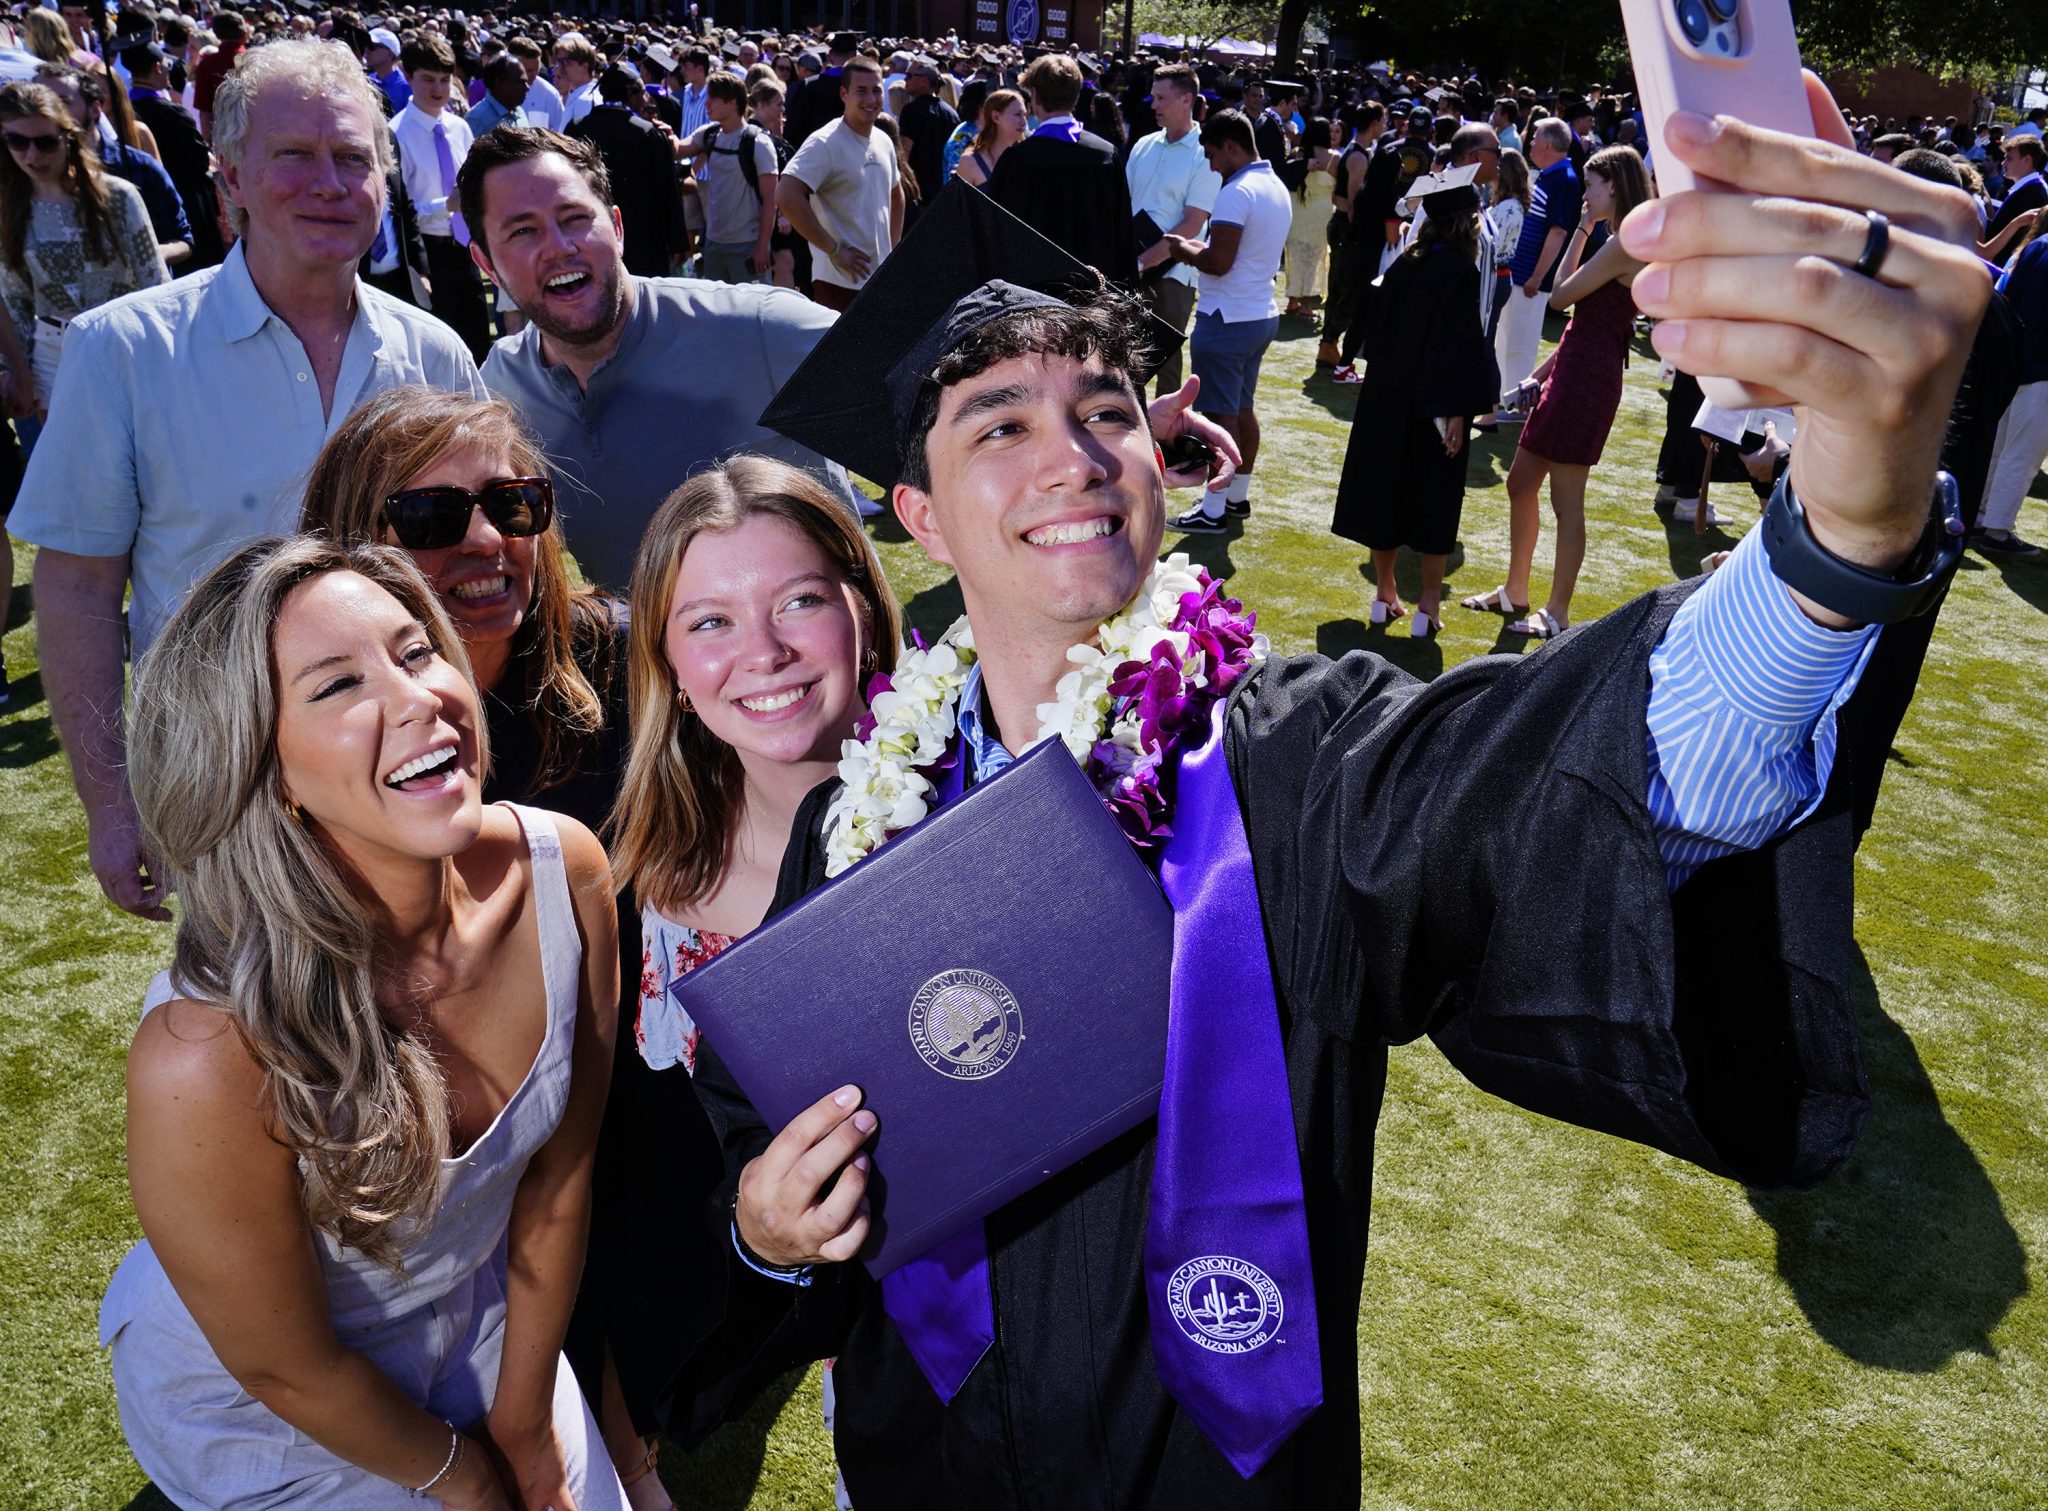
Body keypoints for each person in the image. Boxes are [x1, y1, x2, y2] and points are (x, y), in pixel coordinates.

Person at [696, 86, 1990, 1509]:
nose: (1072, 452)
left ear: (1158, 466)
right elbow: (751, 1118)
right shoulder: (860, 814)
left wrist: (1843, 537)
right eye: (998, 421)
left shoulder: (1292, 760)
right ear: (923, 515)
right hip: (914, 1470)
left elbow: (1594, 777)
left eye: (1108, 410)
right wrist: (767, 1222)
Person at [99, 535, 626, 1508]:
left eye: (416, 650)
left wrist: (522, 1426)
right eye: (337, 684)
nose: (419, 696)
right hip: (274, 1400)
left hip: (481, 1317)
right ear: (265, 769)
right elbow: (287, 1366)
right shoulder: (205, 1050)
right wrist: (462, 1473)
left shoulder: (569, 873)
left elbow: (558, 1181)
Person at [11, 39, 483, 922]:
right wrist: (111, 806)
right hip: (233, 798)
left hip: (418, 772)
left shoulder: (434, 352)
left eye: (352, 159)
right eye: (294, 157)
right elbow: (75, 588)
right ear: (229, 180)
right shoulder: (123, 352)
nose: (329, 184)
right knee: (267, 1045)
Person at [610, 454, 908, 1485]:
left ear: (862, 611)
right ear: (670, 671)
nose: (764, 652)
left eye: (799, 600)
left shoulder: (971, 808)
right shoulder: (644, 878)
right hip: (788, 1317)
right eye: (709, 622)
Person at [459, 128, 865, 595]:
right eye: (523, 230)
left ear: (616, 227)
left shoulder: (756, 329)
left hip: (832, 660)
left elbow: (928, 372)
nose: (558, 246)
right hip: (651, 666)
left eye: (573, 217)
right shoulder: (501, 392)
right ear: (486, 265)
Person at [1465, 145, 1650, 638]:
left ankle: (1557, 611)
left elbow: (1561, 295)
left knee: (1568, 502)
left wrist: (1583, 229)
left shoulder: (1625, 241)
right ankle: (1516, 591)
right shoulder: (1614, 237)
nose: (1584, 193)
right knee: (1520, 483)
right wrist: (1540, 376)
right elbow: (1578, 320)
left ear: (1614, 186)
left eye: (1591, 184)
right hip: (1572, 372)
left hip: (1589, 382)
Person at [1331, 166, 1500, 635]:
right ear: (1466, 225)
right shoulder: (1461, 273)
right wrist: (1459, 415)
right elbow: (1461, 347)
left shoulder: (1404, 263)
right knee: (1435, 502)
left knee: (1385, 494)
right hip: (1434, 405)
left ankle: (1384, 594)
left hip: (1386, 398)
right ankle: (1428, 604)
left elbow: (1377, 336)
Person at [0, 80, 166, 414]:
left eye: (45, 142)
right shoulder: (8, 208)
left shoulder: (117, 196)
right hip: (54, 357)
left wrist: (167, 356)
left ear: (68, 137)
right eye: (17, 141)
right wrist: (16, 371)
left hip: (124, 345)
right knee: (72, 464)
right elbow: (15, 299)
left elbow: (156, 282)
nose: (32, 155)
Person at [1163, 107, 1291, 531]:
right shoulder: (1275, 186)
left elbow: (1218, 262)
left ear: (1232, 146)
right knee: (1242, 412)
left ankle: (1214, 509)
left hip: (1227, 318)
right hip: (1258, 316)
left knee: (1219, 421)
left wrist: (1182, 249)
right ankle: (1236, 499)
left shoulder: (1236, 192)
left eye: (1214, 154)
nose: (1212, 164)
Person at [989, 53, 1135, 284]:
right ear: (1076, 96)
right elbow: (1122, 236)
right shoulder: (1105, 156)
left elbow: (998, 238)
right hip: (1093, 300)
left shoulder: (1018, 160)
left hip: (1033, 304)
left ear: (1034, 96)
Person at [393, 34, 491, 363]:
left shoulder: (459, 128)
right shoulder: (398, 134)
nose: (438, 89)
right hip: (430, 252)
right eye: (428, 80)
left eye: (445, 80)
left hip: (466, 245)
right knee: (441, 343)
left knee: (478, 335)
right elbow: (399, 211)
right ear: (407, 76)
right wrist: (445, 206)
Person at [777, 55, 900, 312]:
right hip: (839, 284)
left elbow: (896, 194)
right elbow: (786, 194)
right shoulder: (825, 142)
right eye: (861, 91)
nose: (871, 99)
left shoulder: (883, 140)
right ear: (844, 94)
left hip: (879, 281)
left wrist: (893, 251)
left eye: (877, 90)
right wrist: (833, 250)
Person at [1124, 64, 1216, 396]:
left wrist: (1143, 261)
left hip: (1175, 273)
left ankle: (1164, 439)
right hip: (1133, 267)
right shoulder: (1143, 145)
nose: (1153, 104)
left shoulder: (1205, 153)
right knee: (1123, 356)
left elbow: (1193, 223)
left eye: (1161, 97)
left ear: (1186, 99)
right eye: (1153, 97)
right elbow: (1125, 207)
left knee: (1165, 362)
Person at [1492, 117, 1581, 415]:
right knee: (1505, 339)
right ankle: (1502, 401)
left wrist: (1537, 276)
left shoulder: (1564, 179)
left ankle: (1514, 407)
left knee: (1519, 343)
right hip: (1519, 276)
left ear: (1548, 144)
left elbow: (1558, 232)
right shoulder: (1549, 175)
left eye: (1535, 138)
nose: (1530, 142)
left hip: (1530, 280)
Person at [569, 62, 686, 281]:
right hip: (644, 238)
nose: (645, 99)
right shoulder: (648, 133)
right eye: (641, 92)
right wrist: (677, 241)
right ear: (631, 94)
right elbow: (667, 190)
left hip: (591, 232)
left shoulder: (578, 128)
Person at [1976, 217, 2048, 557]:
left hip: (2015, 361)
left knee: (2001, 447)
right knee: (2022, 454)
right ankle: (1998, 531)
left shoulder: (2037, 245)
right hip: (2040, 367)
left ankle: (1983, 518)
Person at [124, 40, 224, 270]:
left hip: (153, 207)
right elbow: (200, 159)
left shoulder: (126, 111)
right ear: (158, 68)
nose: (170, 69)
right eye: (166, 64)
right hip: (190, 203)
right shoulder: (172, 113)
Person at [683, 71, 777, 283]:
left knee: (750, 312)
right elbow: (680, 149)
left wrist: (762, 247)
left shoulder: (758, 143)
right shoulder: (710, 134)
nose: (707, 104)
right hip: (714, 244)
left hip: (747, 245)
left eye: (713, 98)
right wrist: (663, 131)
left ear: (733, 103)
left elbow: (771, 201)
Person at [1283, 117, 1337, 317]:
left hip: (1298, 209)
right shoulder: (1334, 158)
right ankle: (1305, 304)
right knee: (1314, 257)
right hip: (1320, 214)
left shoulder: (1298, 154)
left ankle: (1293, 301)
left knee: (1295, 255)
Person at [898, 55, 956, 219]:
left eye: (909, 76)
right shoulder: (951, 113)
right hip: (943, 192)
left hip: (919, 194)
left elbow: (904, 152)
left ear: (924, 81)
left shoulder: (911, 110)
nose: (905, 80)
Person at [950, 85, 1022, 190]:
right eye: (1017, 114)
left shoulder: (1026, 157)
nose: (1024, 122)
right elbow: (958, 203)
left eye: (1024, 115)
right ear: (996, 117)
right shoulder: (969, 159)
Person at [510, 35, 567, 131]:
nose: (534, 75)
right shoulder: (496, 90)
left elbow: (560, 131)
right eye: (528, 71)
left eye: (537, 70)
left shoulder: (550, 95)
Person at [470, 53, 533, 137]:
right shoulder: (476, 119)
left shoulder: (520, 113)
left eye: (526, 82)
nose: (527, 88)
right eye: (520, 82)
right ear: (498, 82)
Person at [554, 32, 602, 127]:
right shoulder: (577, 95)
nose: (559, 68)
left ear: (584, 66)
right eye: (558, 62)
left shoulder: (586, 101)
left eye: (565, 62)